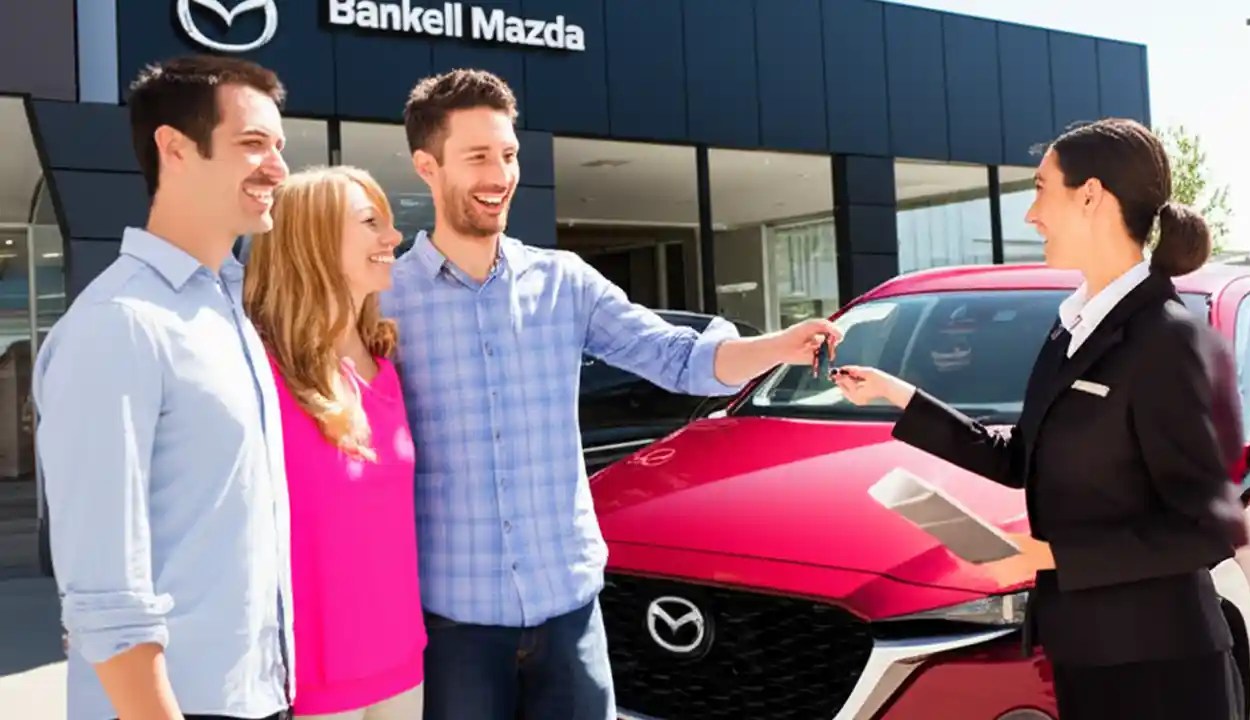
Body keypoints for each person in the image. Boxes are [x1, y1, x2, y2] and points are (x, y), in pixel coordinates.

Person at [379, 68, 844, 720]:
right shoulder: (383, 300)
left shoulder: (564, 281)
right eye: (478, 156)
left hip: (570, 617)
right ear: (427, 166)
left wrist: (778, 345)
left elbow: (676, 357)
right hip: (454, 625)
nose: (500, 175)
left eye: (509, 154)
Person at [831, 117, 1248, 720]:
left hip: (1163, 669)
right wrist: (900, 396)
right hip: (1084, 654)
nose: (1031, 213)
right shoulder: (1071, 328)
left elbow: (1204, 532)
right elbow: (1021, 456)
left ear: (1090, 196)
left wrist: (1044, 555)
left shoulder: (1169, 339)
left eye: (1040, 188)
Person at [32, 55, 295, 720]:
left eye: (278, 146)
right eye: (252, 144)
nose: (277, 168)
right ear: (175, 148)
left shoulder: (229, 315)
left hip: (260, 698)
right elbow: (104, 596)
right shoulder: (118, 326)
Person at [243, 165, 427, 720]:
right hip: (310, 681)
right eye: (371, 222)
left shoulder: (387, 366)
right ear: (314, 238)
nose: (392, 238)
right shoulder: (260, 372)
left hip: (401, 659)